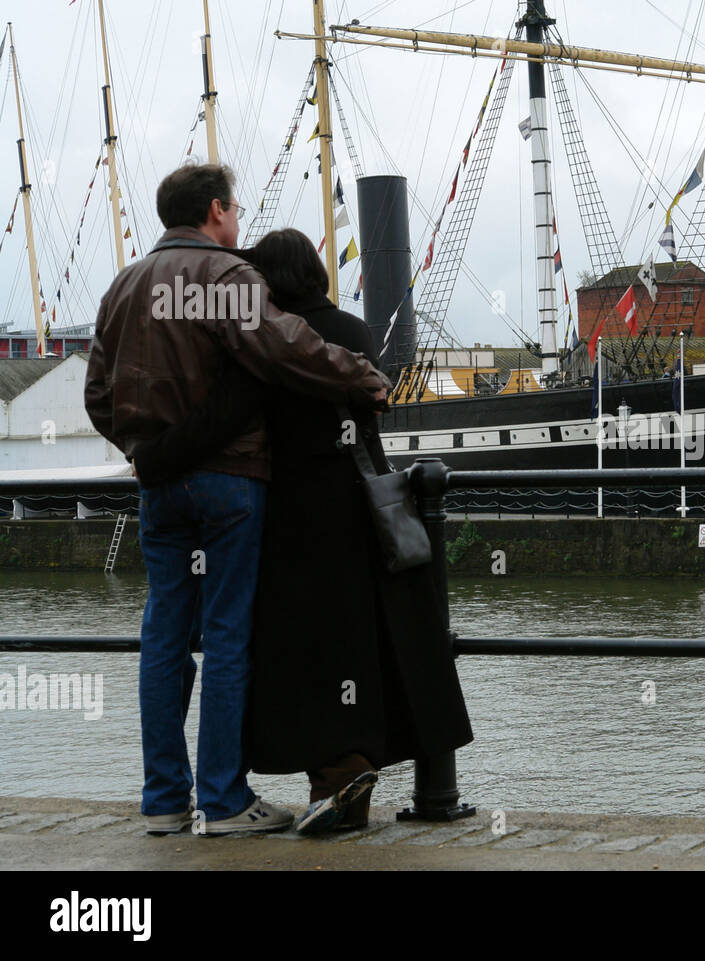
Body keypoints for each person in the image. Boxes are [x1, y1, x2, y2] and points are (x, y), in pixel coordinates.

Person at [85, 163, 391, 837]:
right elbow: (288, 347)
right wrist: (362, 374)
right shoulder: (224, 276)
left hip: (158, 485)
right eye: (234, 208)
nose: (238, 221)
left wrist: (144, 446)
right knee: (226, 633)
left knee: (164, 634)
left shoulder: (123, 286)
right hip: (229, 479)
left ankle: (164, 797)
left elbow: (98, 397)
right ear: (215, 211)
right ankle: (222, 799)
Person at [134, 227, 473, 834]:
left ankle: (324, 778)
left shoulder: (266, 345)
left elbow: (226, 417)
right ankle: (354, 774)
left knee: (293, 651)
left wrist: (155, 458)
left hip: (289, 519)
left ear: (266, 282)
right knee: (358, 647)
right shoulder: (353, 331)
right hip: (362, 516)